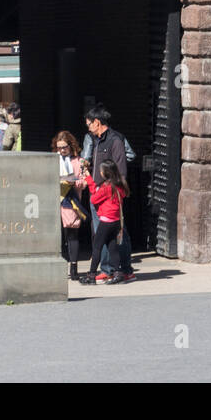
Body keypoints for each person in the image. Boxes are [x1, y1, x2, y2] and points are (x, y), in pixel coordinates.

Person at [84, 104, 135, 281]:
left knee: (119, 233)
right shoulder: (97, 140)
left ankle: (125, 269)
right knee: (102, 234)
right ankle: (107, 269)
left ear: (97, 122)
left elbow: (120, 170)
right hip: (98, 193)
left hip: (110, 195)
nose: (88, 129)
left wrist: (114, 193)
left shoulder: (115, 140)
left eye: (89, 124)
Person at [81, 160, 128, 285]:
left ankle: (91, 275)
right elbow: (97, 192)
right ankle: (118, 274)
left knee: (97, 248)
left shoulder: (106, 187)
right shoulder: (119, 185)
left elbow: (94, 198)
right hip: (116, 222)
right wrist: (89, 178)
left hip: (106, 222)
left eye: (101, 170)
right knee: (112, 248)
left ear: (105, 173)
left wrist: (89, 180)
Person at [55, 131, 90, 279]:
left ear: (71, 145)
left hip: (71, 201)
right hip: (55, 200)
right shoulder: (53, 160)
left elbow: (86, 181)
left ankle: (74, 267)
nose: (62, 150)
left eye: (64, 147)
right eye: (59, 147)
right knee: (57, 237)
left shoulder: (79, 161)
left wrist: (75, 182)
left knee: (72, 234)